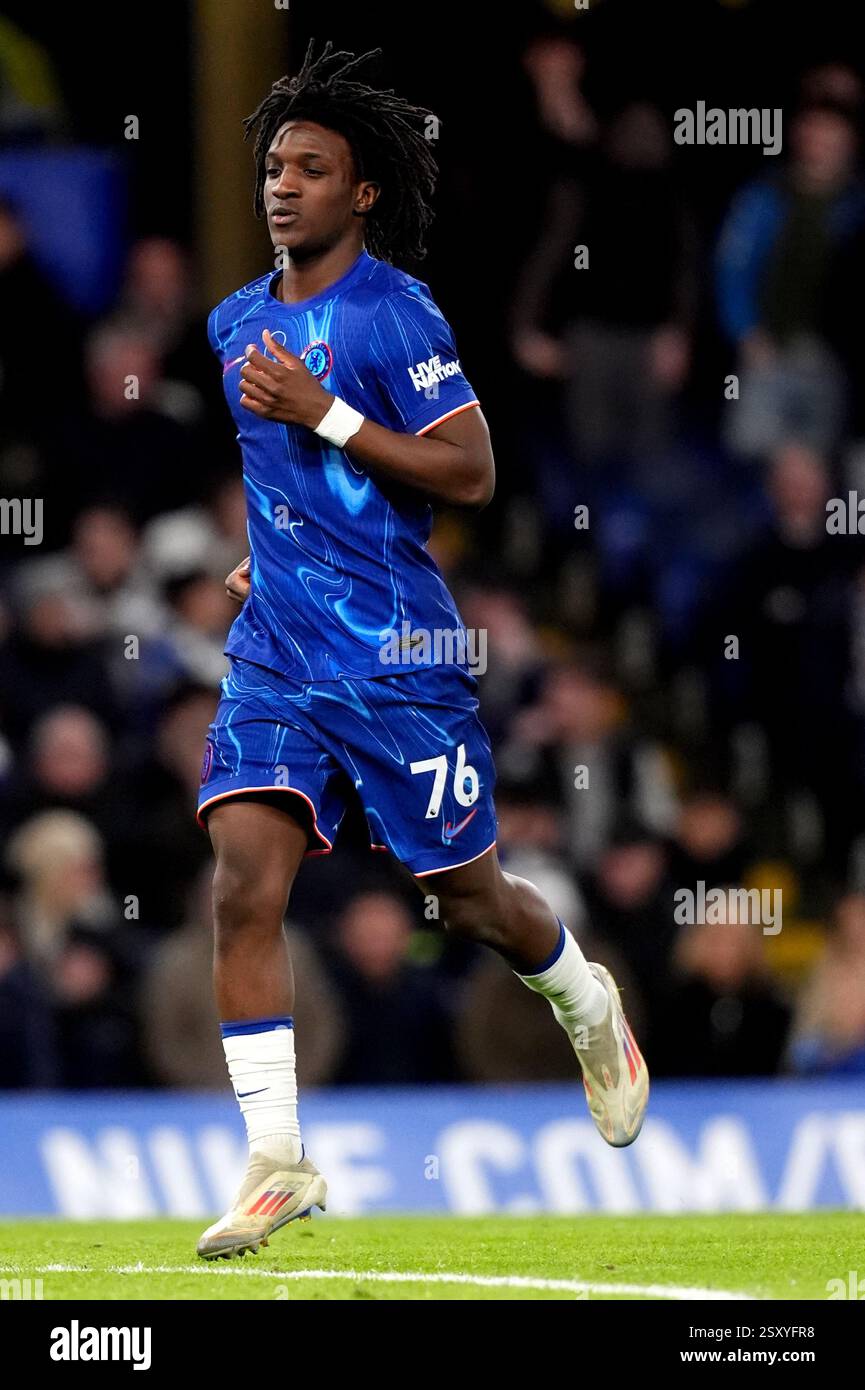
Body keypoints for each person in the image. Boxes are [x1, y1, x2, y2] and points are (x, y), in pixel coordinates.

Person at [193, 39, 648, 1261]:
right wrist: (266, 550)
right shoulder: (235, 321)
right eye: (273, 167)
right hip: (279, 650)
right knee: (241, 880)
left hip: (398, 654)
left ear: (363, 191)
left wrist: (328, 413)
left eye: (310, 168)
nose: (281, 187)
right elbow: (281, 472)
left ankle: (582, 997)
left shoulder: (395, 314)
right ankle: (278, 1160)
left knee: (467, 900)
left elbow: (471, 469)